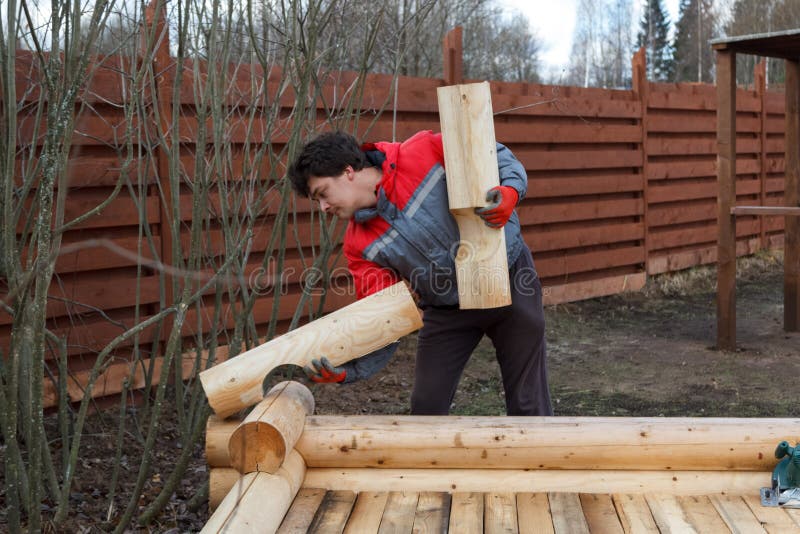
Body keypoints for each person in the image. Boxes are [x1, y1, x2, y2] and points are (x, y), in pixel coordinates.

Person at [287, 130, 553, 416]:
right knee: (427, 408)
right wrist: (347, 370)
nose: (324, 207)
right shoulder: (359, 246)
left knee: (529, 402)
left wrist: (511, 190)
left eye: (322, 194)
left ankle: (542, 461)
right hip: (447, 309)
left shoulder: (422, 151)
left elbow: (488, 151)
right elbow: (383, 318)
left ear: (348, 171)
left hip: (508, 277)